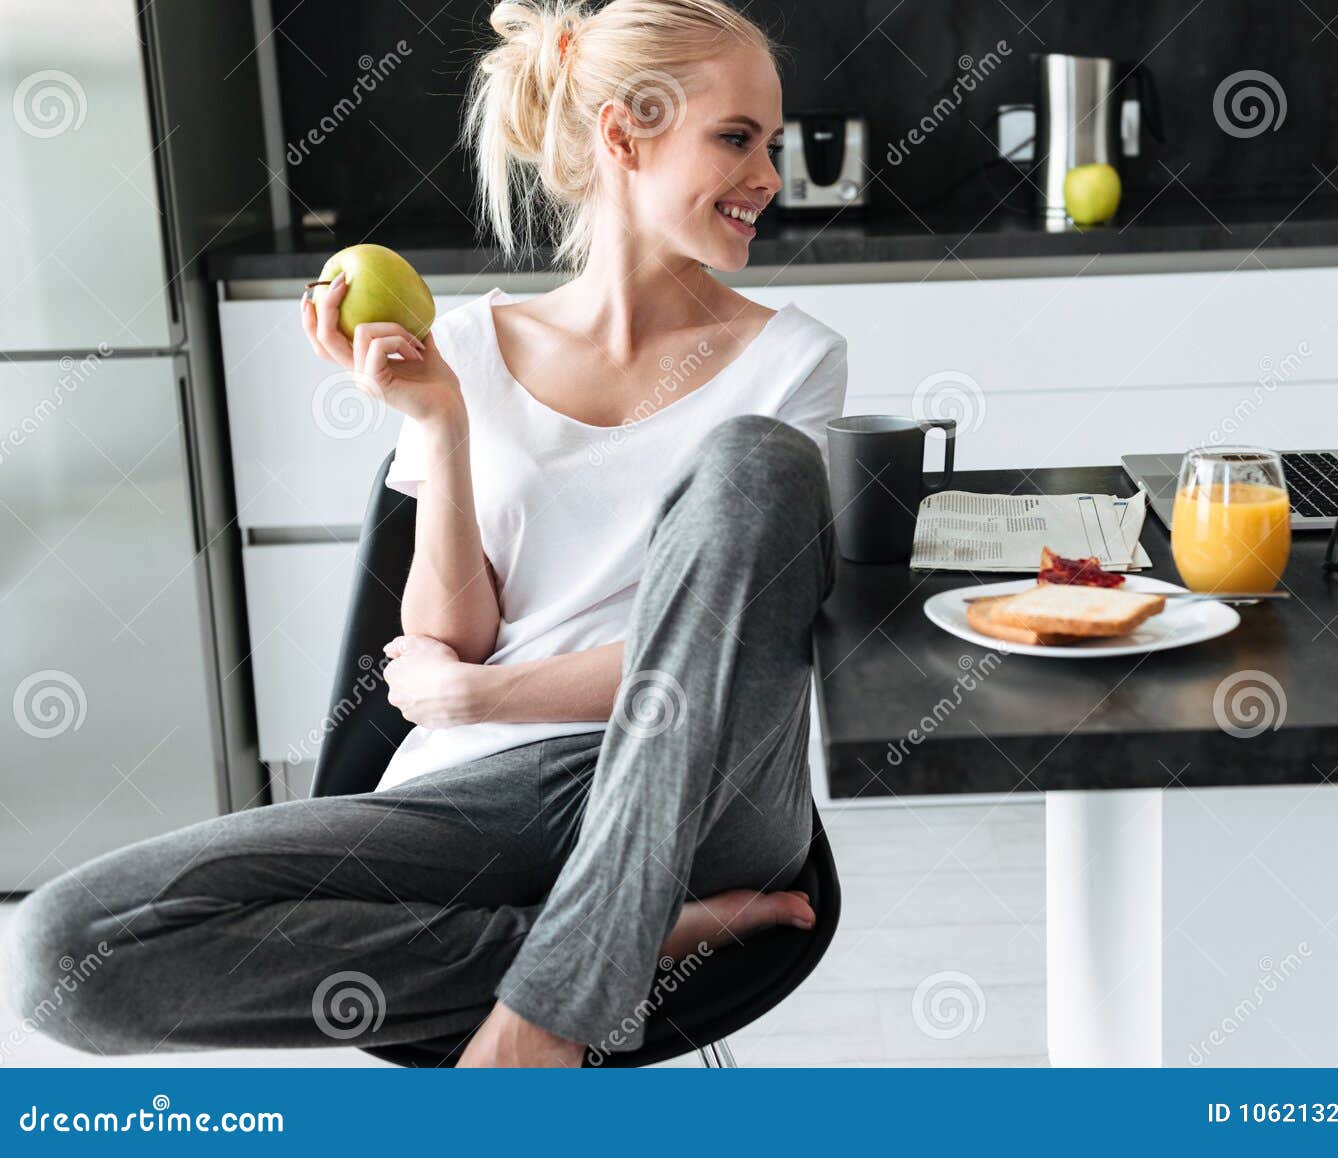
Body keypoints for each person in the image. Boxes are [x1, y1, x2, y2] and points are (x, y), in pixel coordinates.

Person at [7, 0, 845, 1068]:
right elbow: (447, 639)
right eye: (737, 138)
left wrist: (488, 693)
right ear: (623, 138)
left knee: (755, 464)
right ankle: (615, 944)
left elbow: (723, 653)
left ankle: (542, 1018)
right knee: (62, 953)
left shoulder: (796, 362)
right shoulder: (468, 348)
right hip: (481, 790)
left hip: (707, 794)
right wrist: (442, 428)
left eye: (769, 142)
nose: (769, 174)